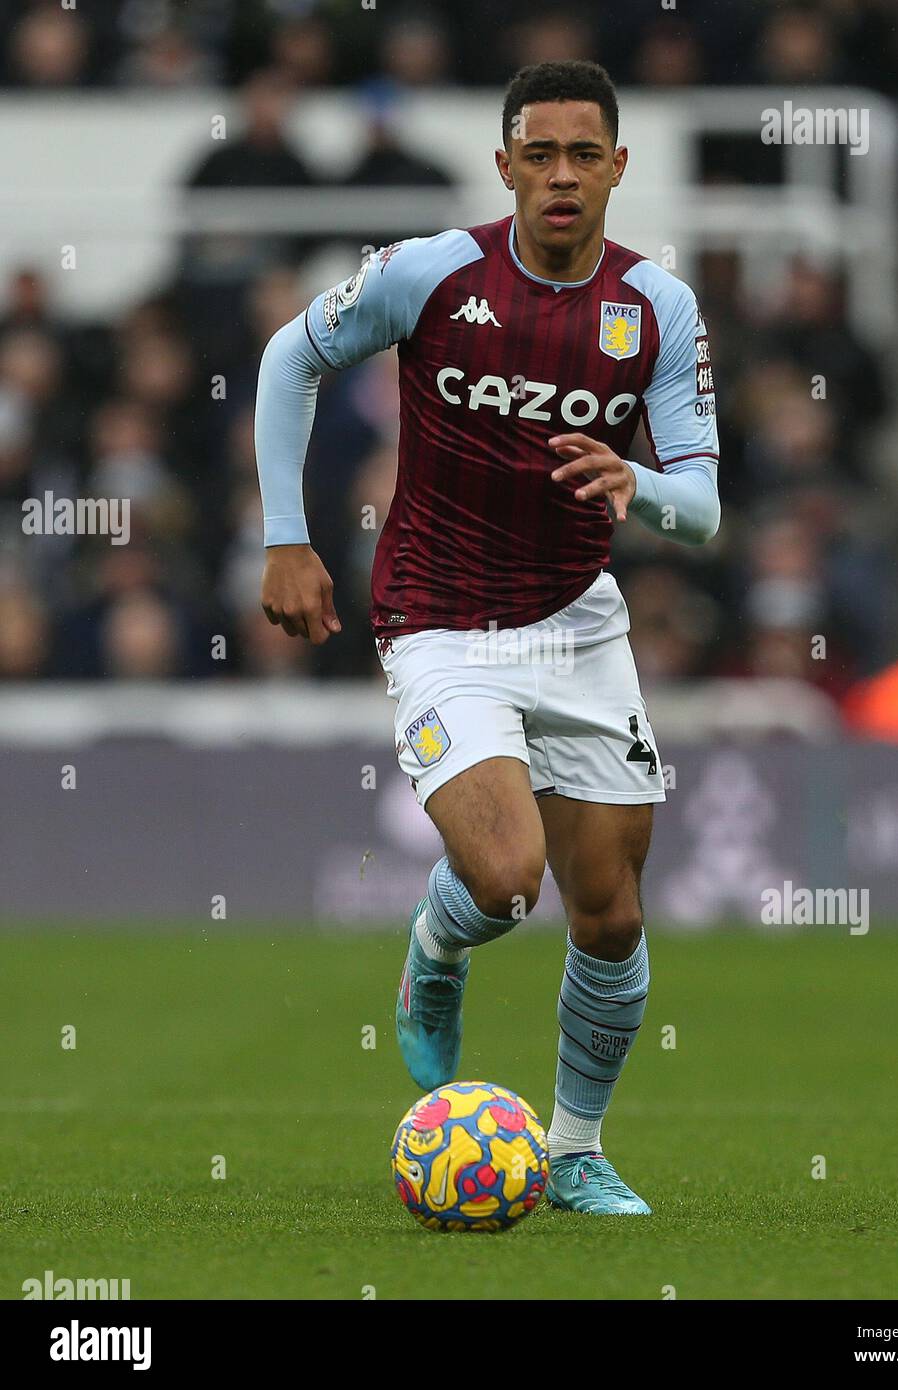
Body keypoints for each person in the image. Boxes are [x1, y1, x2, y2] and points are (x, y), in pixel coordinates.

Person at [253, 60, 721, 1215]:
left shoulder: (655, 307)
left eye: (584, 154)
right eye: (540, 153)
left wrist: (638, 485)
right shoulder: (429, 274)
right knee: (508, 879)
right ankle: (437, 948)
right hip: (438, 617)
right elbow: (287, 357)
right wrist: (286, 536)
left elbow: (703, 511)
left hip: (577, 622)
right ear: (503, 164)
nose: (561, 175)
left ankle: (574, 1151)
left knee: (608, 909)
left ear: (618, 166)